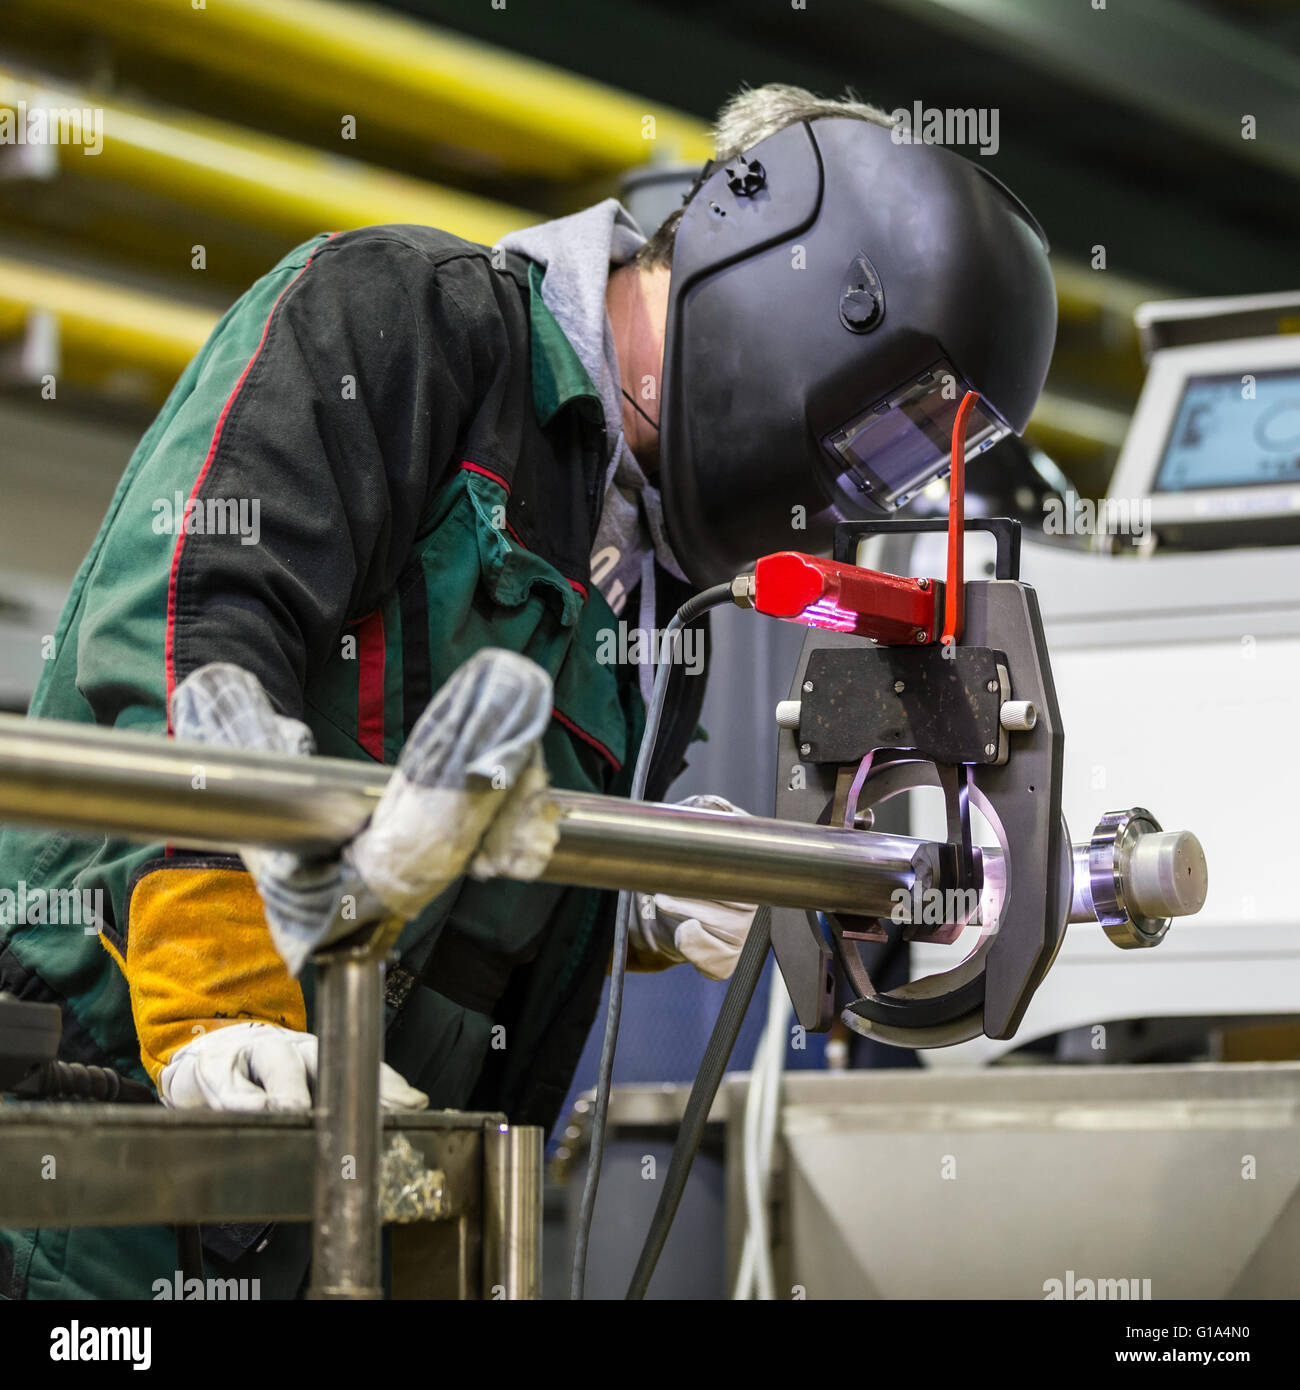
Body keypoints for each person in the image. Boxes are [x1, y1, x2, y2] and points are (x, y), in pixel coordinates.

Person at [0, 82, 1056, 1299]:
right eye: (878, 434)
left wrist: (630, 894)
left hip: (363, 1181)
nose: (856, 485)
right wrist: (222, 1001)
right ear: (789, 278)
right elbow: (188, 617)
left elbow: (478, 864)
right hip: (110, 1145)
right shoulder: (402, 319)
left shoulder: (661, 570)